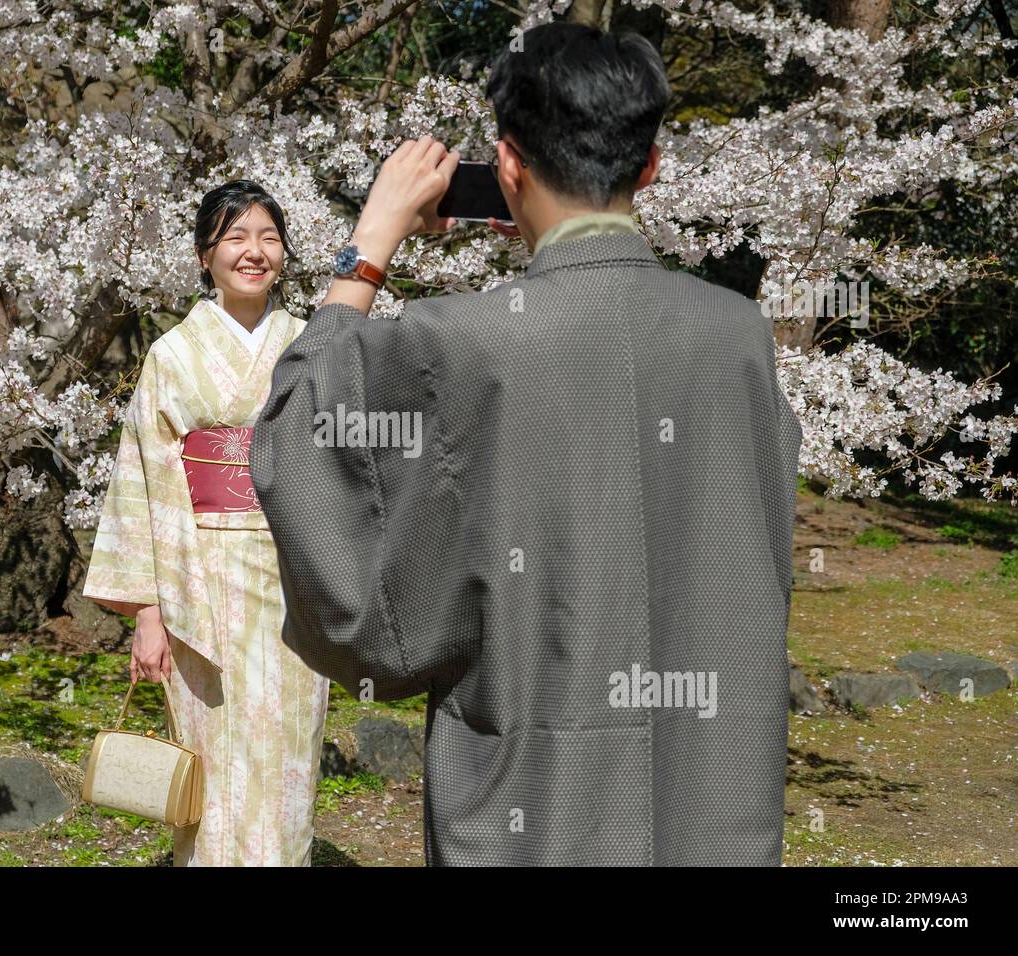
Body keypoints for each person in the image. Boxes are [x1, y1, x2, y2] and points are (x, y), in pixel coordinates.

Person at [251, 23, 804, 865]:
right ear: (648, 168)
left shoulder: (465, 340)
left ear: (507, 165)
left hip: (532, 809)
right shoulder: (737, 337)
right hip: (710, 802)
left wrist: (366, 250)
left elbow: (301, 432)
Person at [83, 180, 330, 866]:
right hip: (199, 578)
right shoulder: (172, 355)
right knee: (211, 757)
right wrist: (148, 614)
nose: (255, 252)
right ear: (204, 254)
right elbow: (143, 481)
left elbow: (338, 467)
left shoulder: (310, 346)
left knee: (286, 748)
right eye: (236, 238)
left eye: (269, 238)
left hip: (292, 579)